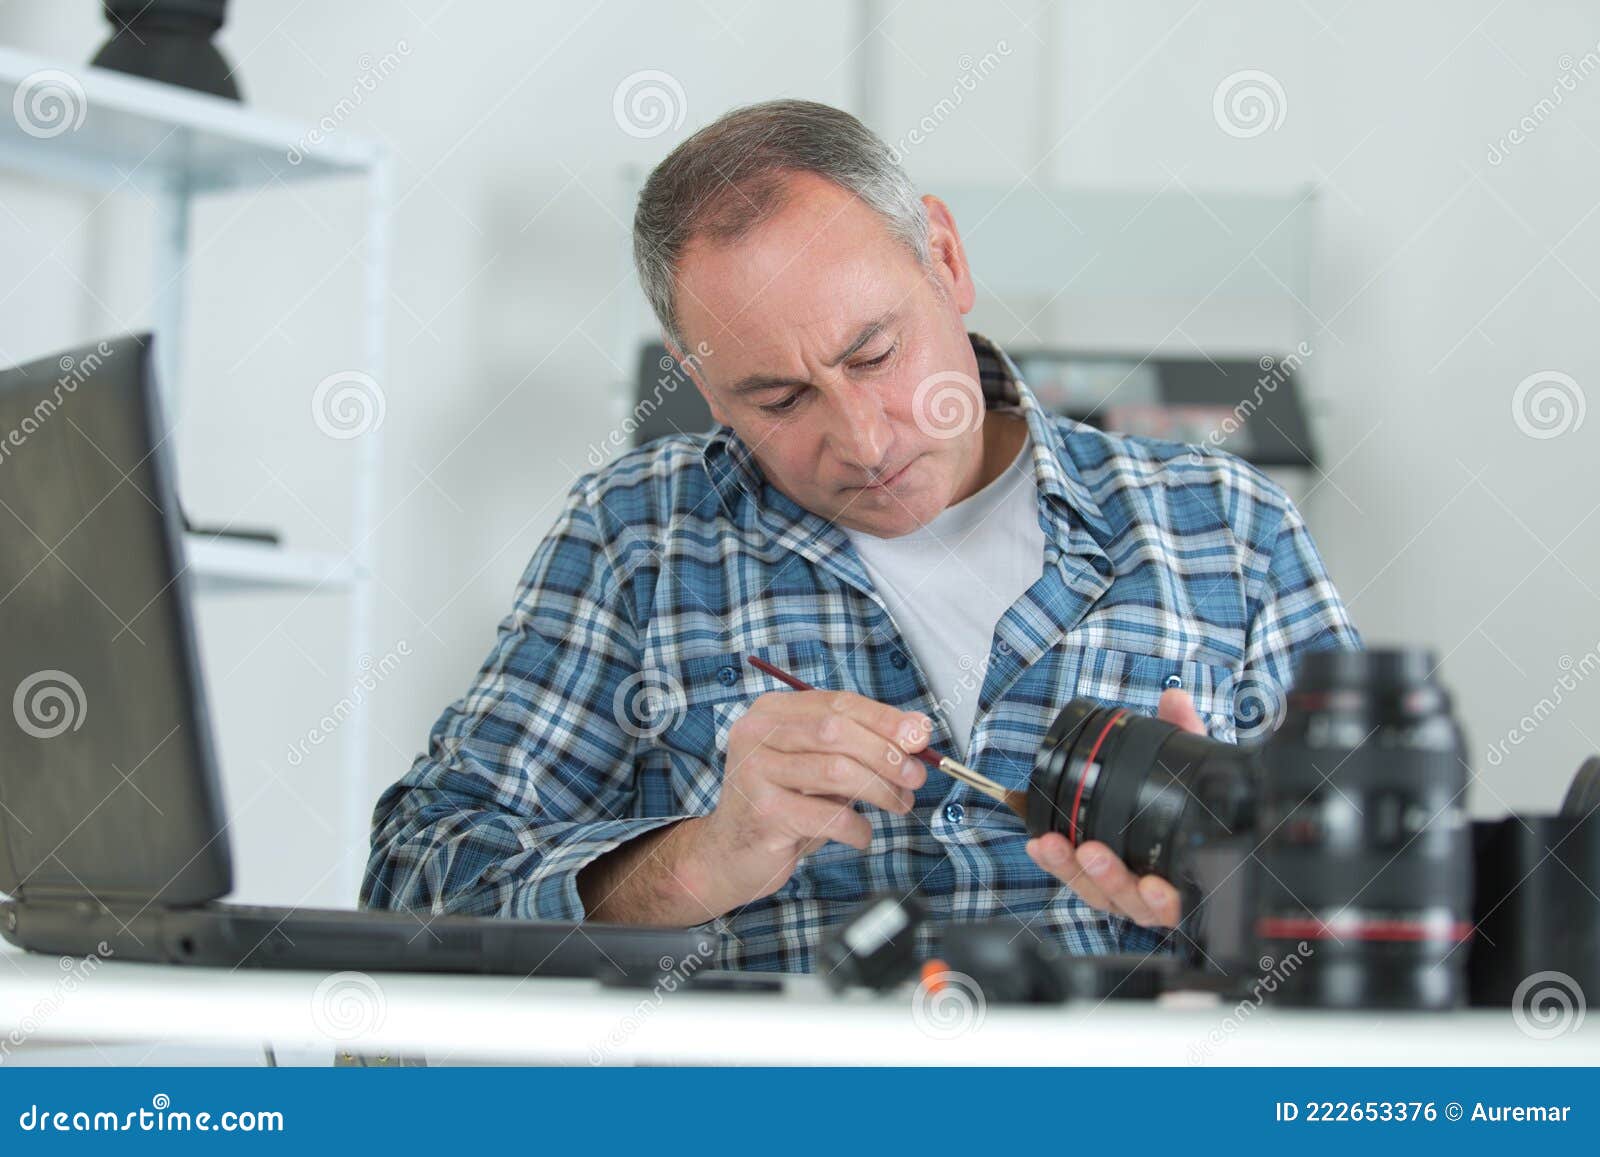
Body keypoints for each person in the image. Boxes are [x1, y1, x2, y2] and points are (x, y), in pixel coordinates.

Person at [363, 99, 1360, 971]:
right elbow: (415, 884)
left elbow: (1393, 901)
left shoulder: (1227, 527)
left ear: (946, 260)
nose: (864, 440)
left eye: (874, 353)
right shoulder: (638, 537)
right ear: (699, 378)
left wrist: (1237, 897)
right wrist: (698, 862)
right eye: (778, 397)